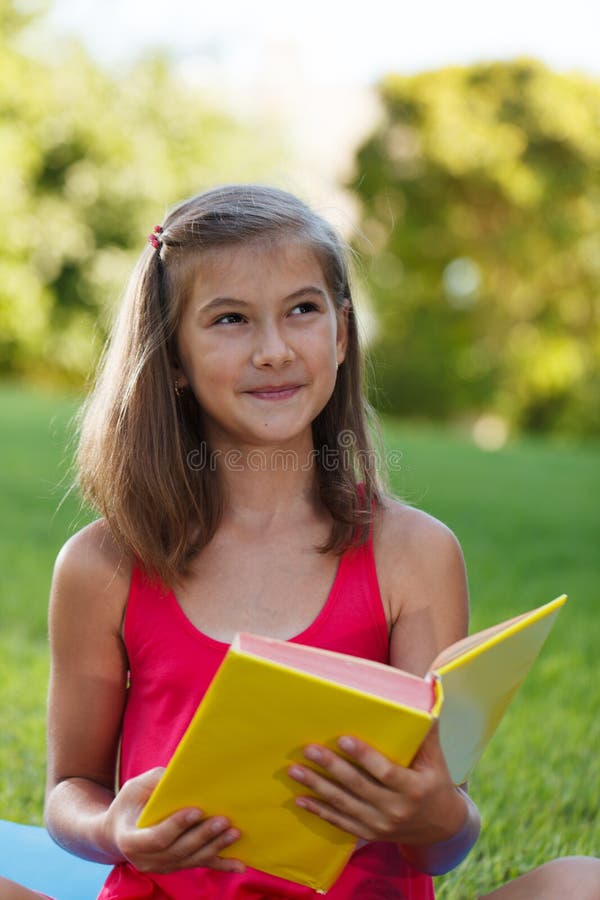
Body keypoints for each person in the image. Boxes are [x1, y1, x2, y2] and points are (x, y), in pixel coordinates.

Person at [36, 184, 598, 900]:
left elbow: (440, 844)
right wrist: (114, 830)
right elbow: (69, 790)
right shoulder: (103, 565)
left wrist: (438, 815)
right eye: (230, 319)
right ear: (173, 356)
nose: (273, 351)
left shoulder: (413, 556)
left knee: (583, 882)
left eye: (301, 310)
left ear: (339, 333)